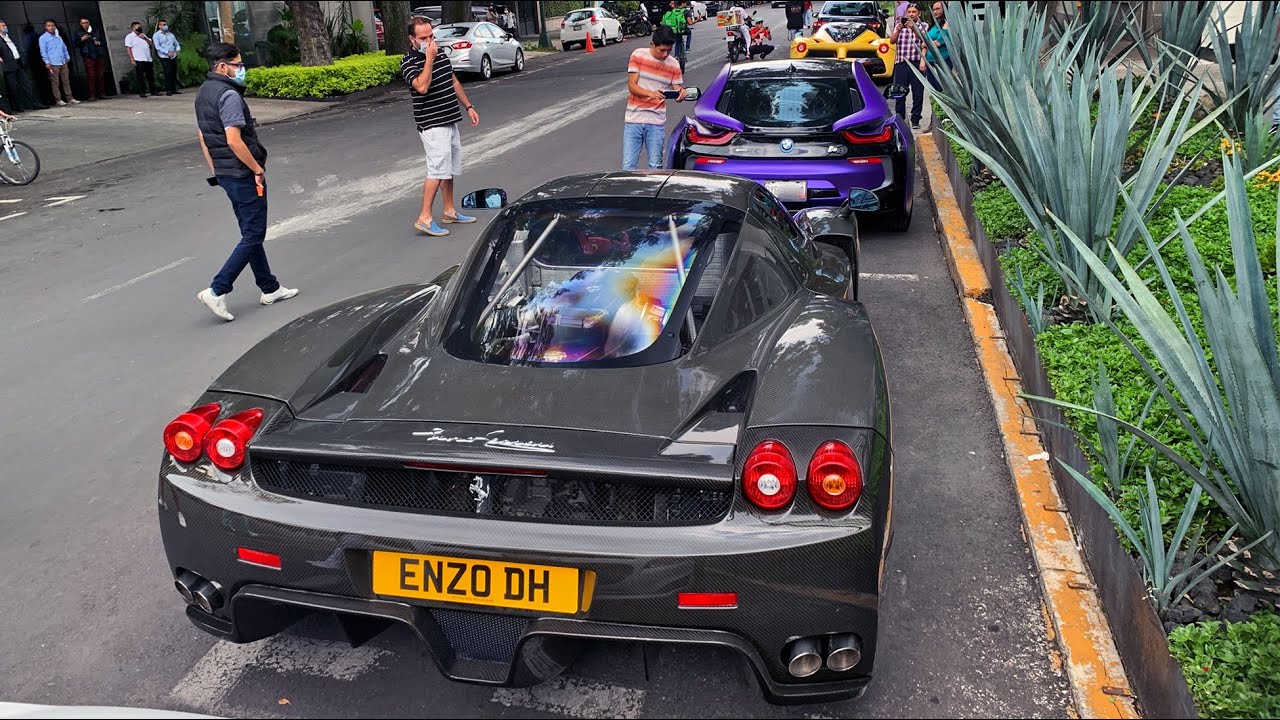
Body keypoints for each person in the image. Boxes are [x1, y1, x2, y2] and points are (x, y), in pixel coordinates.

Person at [194, 42, 298, 322]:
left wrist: (217, 169)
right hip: (243, 174)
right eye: (238, 65)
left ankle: (269, 287)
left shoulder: (204, 92)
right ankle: (217, 289)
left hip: (227, 174)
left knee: (250, 233)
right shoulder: (228, 95)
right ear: (222, 67)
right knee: (253, 235)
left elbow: (204, 137)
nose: (242, 69)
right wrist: (256, 169)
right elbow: (233, 140)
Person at [402, 15, 480, 237]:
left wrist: (469, 106)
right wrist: (429, 59)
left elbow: (453, 81)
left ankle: (449, 211)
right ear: (412, 39)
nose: (429, 41)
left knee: (448, 168)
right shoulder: (409, 61)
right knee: (437, 169)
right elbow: (422, 87)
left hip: (449, 118)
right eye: (423, 38)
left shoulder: (441, 53)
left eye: (431, 36)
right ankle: (425, 218)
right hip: (432, 123)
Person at [623, 25, 685, 170]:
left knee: (655, 166)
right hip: (633, 119)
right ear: (652, 44)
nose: (665, 54)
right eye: (662, 50)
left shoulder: (674, 64)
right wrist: (651, 93)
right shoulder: (638, 55)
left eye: (669, 50)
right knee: (628, 166)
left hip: (656, 121)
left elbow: (677, 90)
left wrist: (681, 94)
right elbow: (632, 86)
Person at [889, 3, 928, 129]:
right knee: (900, 92)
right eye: (909, 12)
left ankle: (915, 120)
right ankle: (900, 119)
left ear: (919, 13)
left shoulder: (923, 25)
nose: (911, 14)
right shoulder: (899, 25)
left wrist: (913, 28)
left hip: (916, 63)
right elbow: (892, 41)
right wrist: (898, 30)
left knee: (918, 93)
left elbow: (924, 40)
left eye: (914, 12)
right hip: (901, 63)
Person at [0, 20, 47, 112]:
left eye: (5, 25)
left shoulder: (9, 37)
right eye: (3, 26)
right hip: (8, 66)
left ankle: (35, 103)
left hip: (18, 63)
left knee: (27, 85)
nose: (5, 27)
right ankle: (18, 107)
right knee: (14, 88)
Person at [38, 20, 76, 106]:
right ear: (45, 27)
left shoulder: (58, 36)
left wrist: (67, 57)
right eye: (49, 26)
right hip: (53, 63)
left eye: (53, 25)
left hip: (62, 61)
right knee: (55, 82)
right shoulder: (43, 38)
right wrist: (47, 62)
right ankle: (58, 99)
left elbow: (64, 47)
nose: (51, 27)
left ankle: (69, 98)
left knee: (66, 81)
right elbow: (43, 51)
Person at [72, 18, 107, 101]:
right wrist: (82, 39)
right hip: (88, 56)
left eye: (86, 22)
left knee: (101, 75)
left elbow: (104, 41)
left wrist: (98, 42)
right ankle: (92, 95)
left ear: (89, 23)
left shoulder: (96, 31)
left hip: (99, 55)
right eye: (83, 23)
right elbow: (75, 44)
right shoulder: (78, 32)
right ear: (80, 24)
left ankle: (102, 93)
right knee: (91, 76)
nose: (85, 24)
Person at [125, 21, 157, 98]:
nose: (139, 29)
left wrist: (145, 38)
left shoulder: (143, 35)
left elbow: (151, 44)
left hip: (147, 58)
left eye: (140, 27)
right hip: (138, 59)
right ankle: (142, 92)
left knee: (150, 76)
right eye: (138, 27)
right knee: (140, 76)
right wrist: (132, 59)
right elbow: (129, 49)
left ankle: (153, 91)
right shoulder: (129, 37)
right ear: (133, 28)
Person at [925, 1, 951, 91]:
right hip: (930, 61)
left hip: (942, 61)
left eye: (938, 9)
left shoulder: (947, 24)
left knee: (942, 89)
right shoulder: (933, 26)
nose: (935, 11)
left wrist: (926, 43)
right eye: (933, 9)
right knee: (933, 89)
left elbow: (938, 43)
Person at [154, 19, 182, 96]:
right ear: (159, 26)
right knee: (167, 72)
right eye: (163, 25)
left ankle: (174, 89)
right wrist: (167, 52)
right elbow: (157, 46)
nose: (165, 26)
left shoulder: (171, 34)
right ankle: (168, 89)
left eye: (166, 24)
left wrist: (177, 50)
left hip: (173, 55)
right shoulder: (156, 35)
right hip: (164, 56)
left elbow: (176, 44)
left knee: (174, 72)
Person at [661, 2, 688, 71]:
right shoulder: (679, 13)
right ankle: (676, 55)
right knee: (678, 42)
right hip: (677, 31)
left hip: (668, 33)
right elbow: (683, 22)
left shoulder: (666, 15)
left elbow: (662, 24)